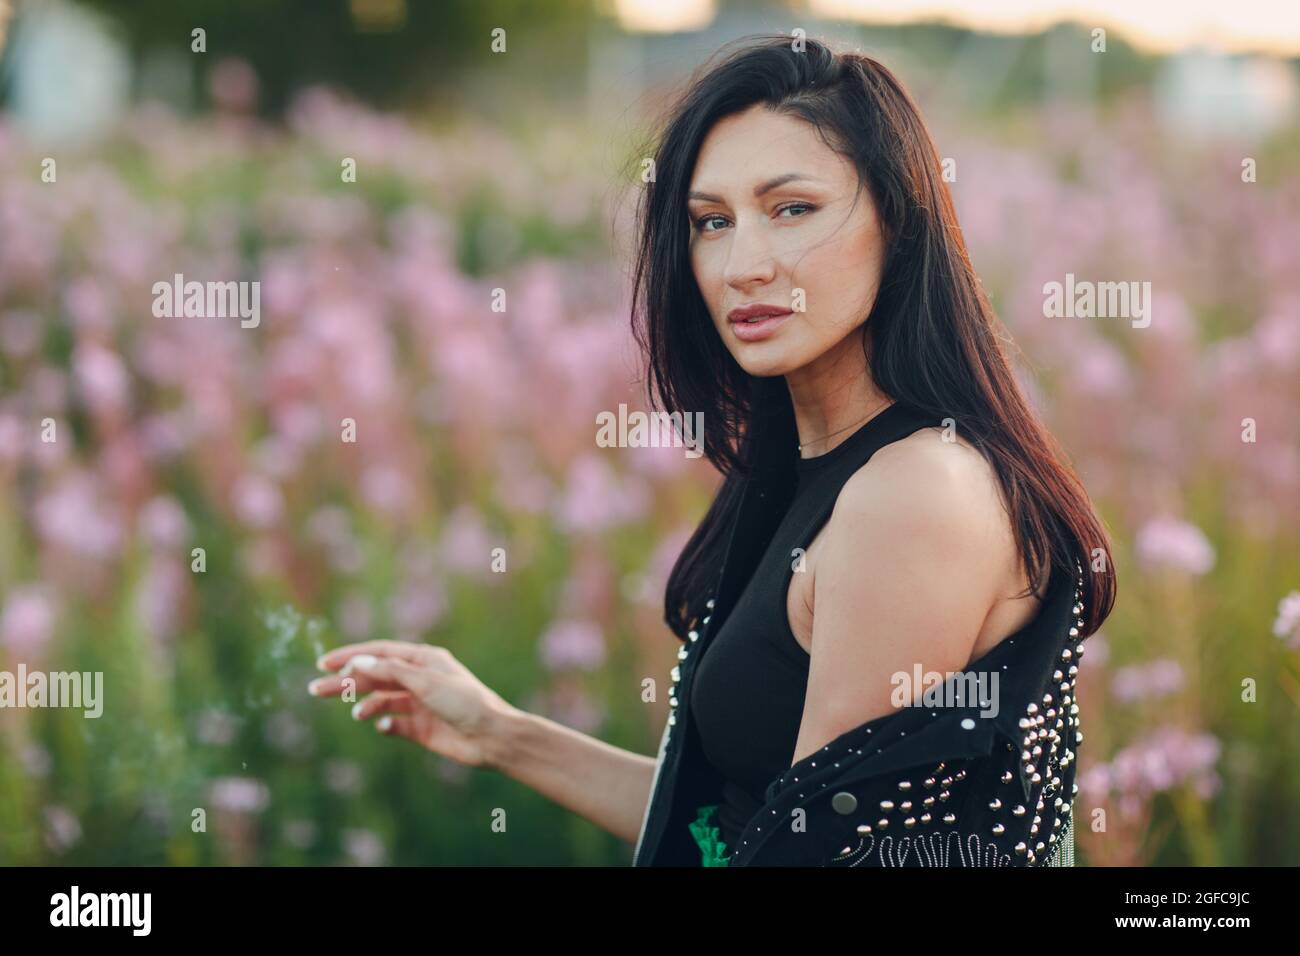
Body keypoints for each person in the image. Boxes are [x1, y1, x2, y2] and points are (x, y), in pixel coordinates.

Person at [308, 34, 1116, 867]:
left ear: (898, 218)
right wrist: (503, 734)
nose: (743, 265)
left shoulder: (918, 490)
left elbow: (808, 852)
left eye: (792, 209)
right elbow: (743, 824)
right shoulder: (804, 466)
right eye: (711, 222)